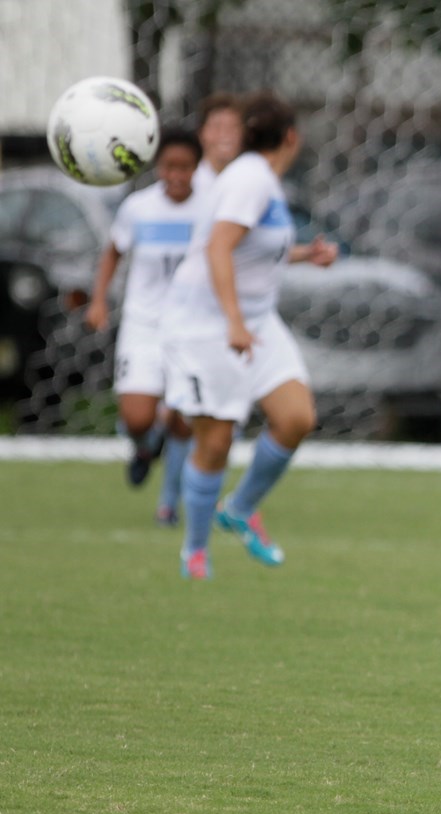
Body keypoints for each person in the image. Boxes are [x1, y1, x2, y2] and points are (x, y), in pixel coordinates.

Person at [162, 91, 338, 580]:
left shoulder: (260, 179)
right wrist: (234, 321)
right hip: (207, 324)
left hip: (256, 321)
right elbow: (218, 248)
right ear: (291, 137)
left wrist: (305, 255)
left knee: (296, 418)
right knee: (216, 442)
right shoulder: (251, 180)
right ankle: (196, 553)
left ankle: (238, 509)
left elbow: (251, 250)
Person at [84, 127, 203, 522]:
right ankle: (145, 446)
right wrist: (99, 300)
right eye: (169, 166)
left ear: (197, 167)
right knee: (137, 418)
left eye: (185, 167)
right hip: (143, 325)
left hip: (192, 328)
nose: (176, 175)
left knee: (186, 419)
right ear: (157, 167)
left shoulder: (210, 208)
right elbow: (113, 252)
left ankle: (169, 503)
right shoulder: (139, 207)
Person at [193, 93, 243, 190]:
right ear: (201, 133)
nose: (225, 134)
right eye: (217, 126)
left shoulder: (251, 181)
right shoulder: (190, 184)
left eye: (233, 126)